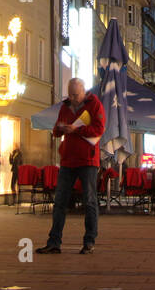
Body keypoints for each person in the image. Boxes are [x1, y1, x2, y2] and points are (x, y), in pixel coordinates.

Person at [37, 78, 105, 254]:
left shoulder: (94, 104)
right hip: (68, 159)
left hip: (87, 160)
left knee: (89, 200)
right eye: (70, 94)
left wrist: (77, 130)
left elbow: (99, 129)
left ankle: (89, 241)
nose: (73, 98)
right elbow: (56, 128)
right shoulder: (65, 106)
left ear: (83, 91)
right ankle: (54, 241)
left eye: (76, 94)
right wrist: (59, 129)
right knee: (59, 201)